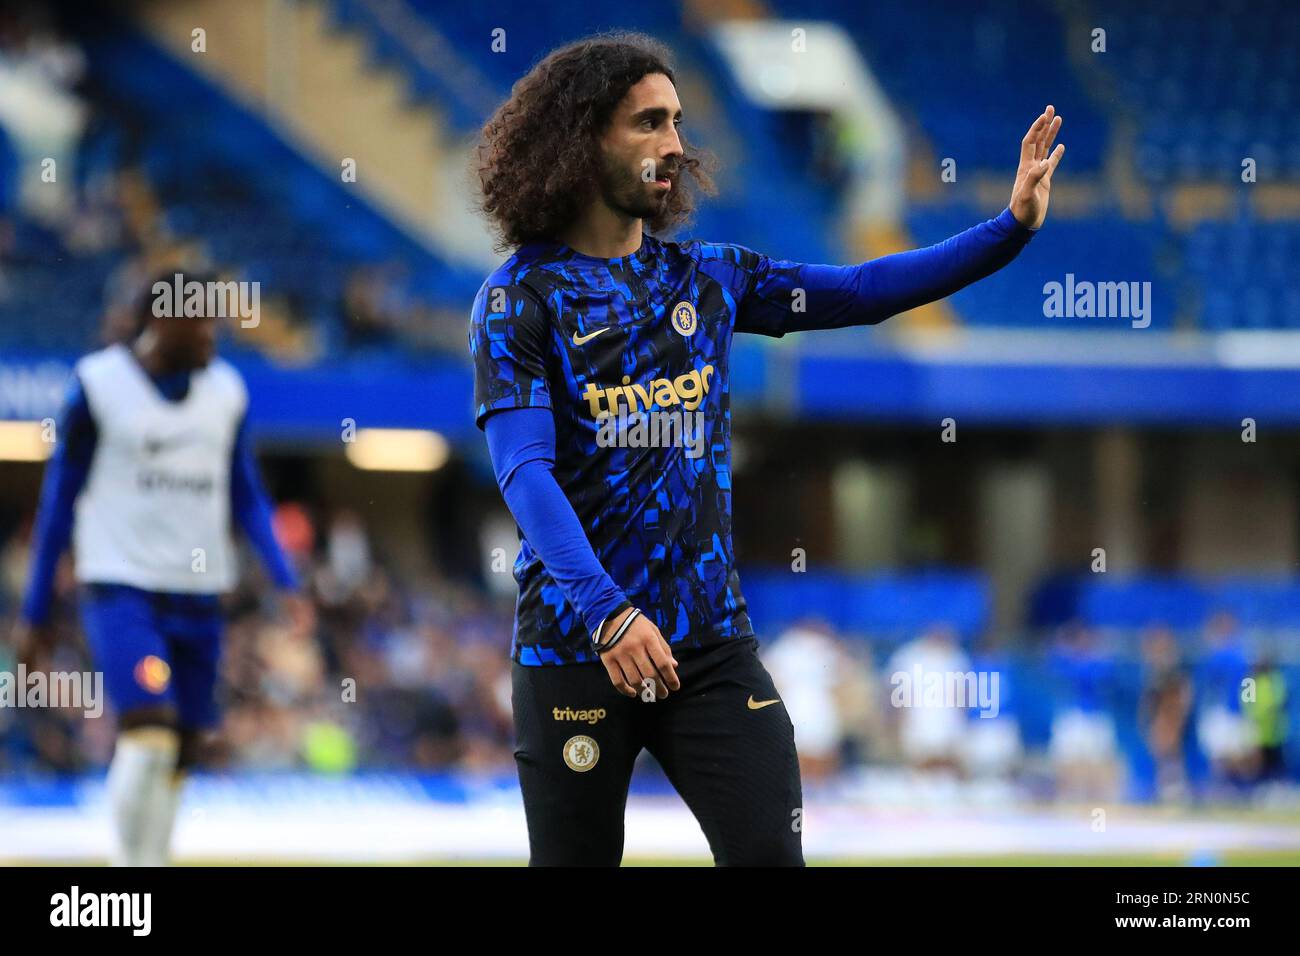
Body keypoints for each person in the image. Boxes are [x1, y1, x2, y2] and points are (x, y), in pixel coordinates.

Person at [469, 33, 1063, 865]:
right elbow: (524, 471)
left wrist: (1010, 229)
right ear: (581, 138)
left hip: (709, 650)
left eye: (677, 122)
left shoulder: (711, 279)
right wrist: (608, 611)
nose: (675, 145)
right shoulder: (517, 300)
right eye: (648, 123)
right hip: (576, 649)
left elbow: (862, 292)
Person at [9, 271, 307, 865]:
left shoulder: (226, 392)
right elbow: (58, 503)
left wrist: (285, 580)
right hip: (122, 589)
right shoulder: (98, 386)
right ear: (164, 321)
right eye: (203, 323)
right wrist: (36, 611)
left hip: (200, 594)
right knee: (148, 728)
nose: (214, 336)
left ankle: (154, 864)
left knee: (185, 747)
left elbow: (245, 495)